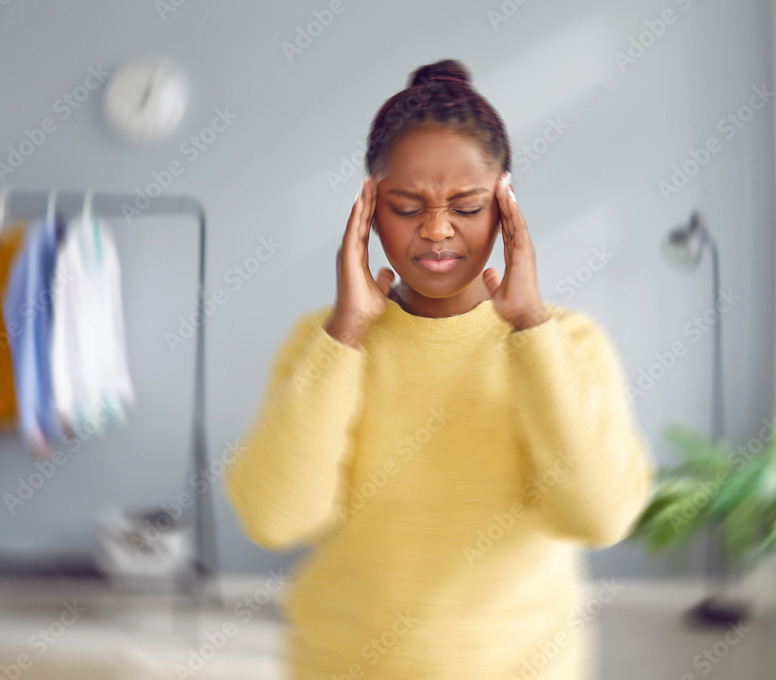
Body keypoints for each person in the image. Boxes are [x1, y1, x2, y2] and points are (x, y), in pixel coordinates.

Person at [223, 58, 656, 680]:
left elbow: (598, 517)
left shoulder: (570, 342)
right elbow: (275, 518)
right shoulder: (323, 342)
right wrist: (347, 332)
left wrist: (531, 325)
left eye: (467, 204)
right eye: (405, 205)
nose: (435, 229)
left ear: (505, 204)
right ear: (368, 208)